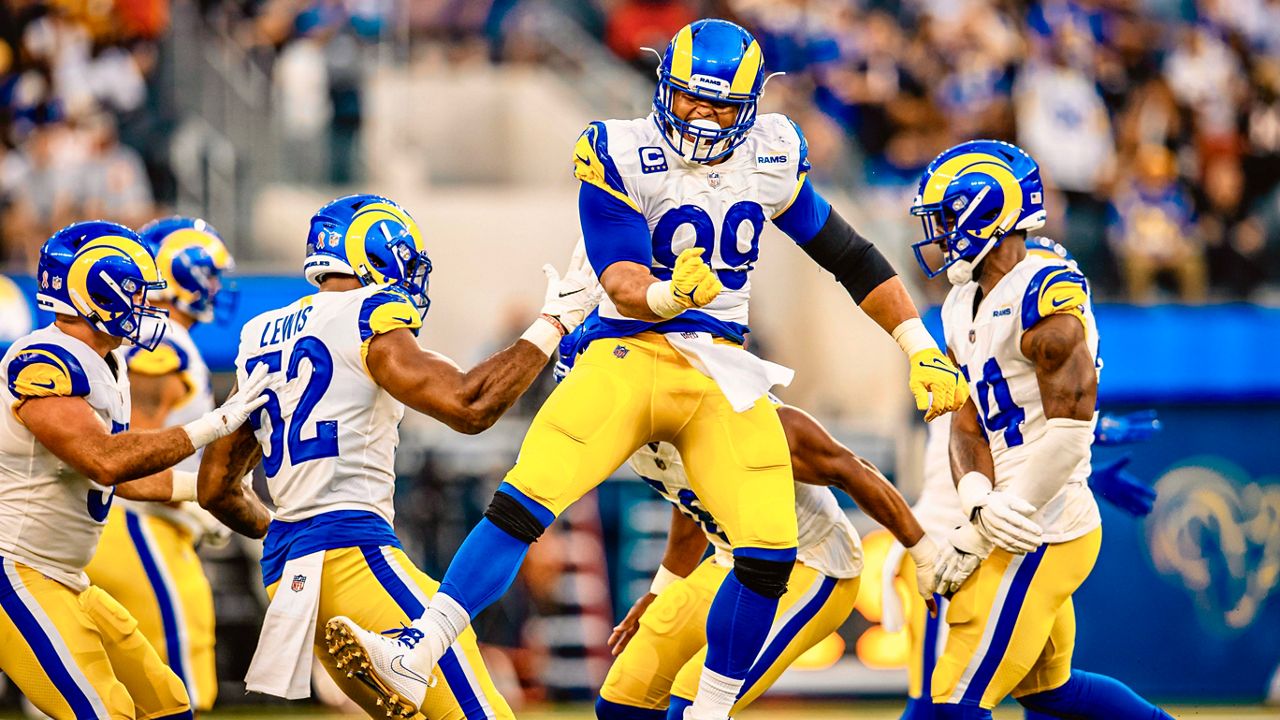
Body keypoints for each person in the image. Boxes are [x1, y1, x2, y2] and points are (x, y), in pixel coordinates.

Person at [326, 19, 968, 720]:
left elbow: (848, 255)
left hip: (723, 366)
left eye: (722, 105)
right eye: (690, 98)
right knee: (525, 497)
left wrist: (918, 343)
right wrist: (665, 294)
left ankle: (710, 710)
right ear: (664, 87)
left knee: (767, 549)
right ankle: (416, 652)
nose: (701, 116)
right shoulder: (619, 148)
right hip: (628, 347)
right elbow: (620, 269)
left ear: (754, 106)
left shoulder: (774, 154)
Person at [196, 194, 599, 718]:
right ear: (374, 254)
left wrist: (288, 537)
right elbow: (469, 405)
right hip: (353, 553)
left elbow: (215, 486)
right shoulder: (368, 312)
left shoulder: (260, 336)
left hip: (287, 574)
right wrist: (555, 321)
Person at [909, 139, 1172, 719]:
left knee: (953, 697)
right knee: (1050, 693)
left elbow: (1070, 435)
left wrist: (984, 530)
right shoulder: (960, 304)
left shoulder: (1045, 295)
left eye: (948, 218)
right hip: (1003, 516)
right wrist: (976, 499)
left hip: (1042, 528)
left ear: (990, 213)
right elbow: (969, 417)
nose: (939, 232)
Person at [0, 220, 271, 720]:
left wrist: (210, 492)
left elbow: (130, 475)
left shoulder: (107, 362)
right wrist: (212, 427)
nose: (148, 305)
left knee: (167, 704)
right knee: (102, 712)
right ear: (96, 291)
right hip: (17, 571)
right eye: (137, 292)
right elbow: (103, 460)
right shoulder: (41, 360)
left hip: (66, 575)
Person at [83, 216, 236, 713]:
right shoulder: (163, 340)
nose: (216, 286)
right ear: (182, 271)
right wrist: (199, 496)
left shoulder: (151, 336)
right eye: (209, 272)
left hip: (125, 521)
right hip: (136, 524)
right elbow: (132, 450)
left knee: (115, 695)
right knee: (178, 690)